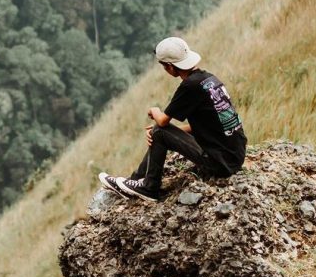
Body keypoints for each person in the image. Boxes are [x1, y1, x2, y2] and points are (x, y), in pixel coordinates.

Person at [99, 36, 247, 202]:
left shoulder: (190, 86)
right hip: (235, 156)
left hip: (220, 163)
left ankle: (148, 188)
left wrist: (154, 111)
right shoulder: (210, 80)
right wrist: (172, 133)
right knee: (160, 133)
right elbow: (209, 126)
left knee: (159, 131)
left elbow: (162, 121)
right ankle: (136, 179)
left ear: (170, 67)